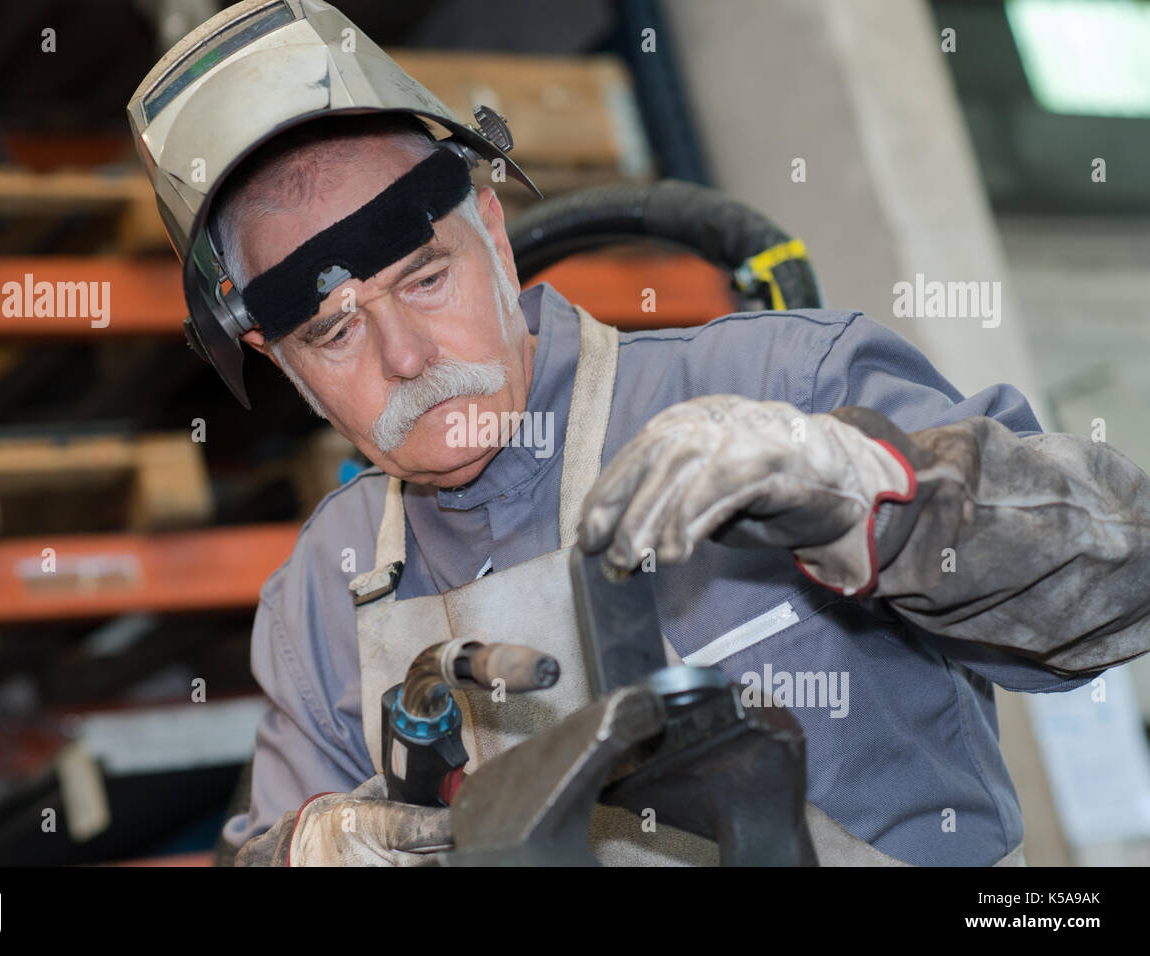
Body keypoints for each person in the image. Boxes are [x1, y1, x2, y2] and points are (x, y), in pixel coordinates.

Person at [128, 0, 1150, 866]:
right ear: (277, 358)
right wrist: (308, 844)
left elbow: (1119, 575)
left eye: (425, 278)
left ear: (491, 230)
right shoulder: (321, 595)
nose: (402, 358)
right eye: (332, 329)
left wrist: (875, 494)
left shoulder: (780, 384)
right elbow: (257, 846)